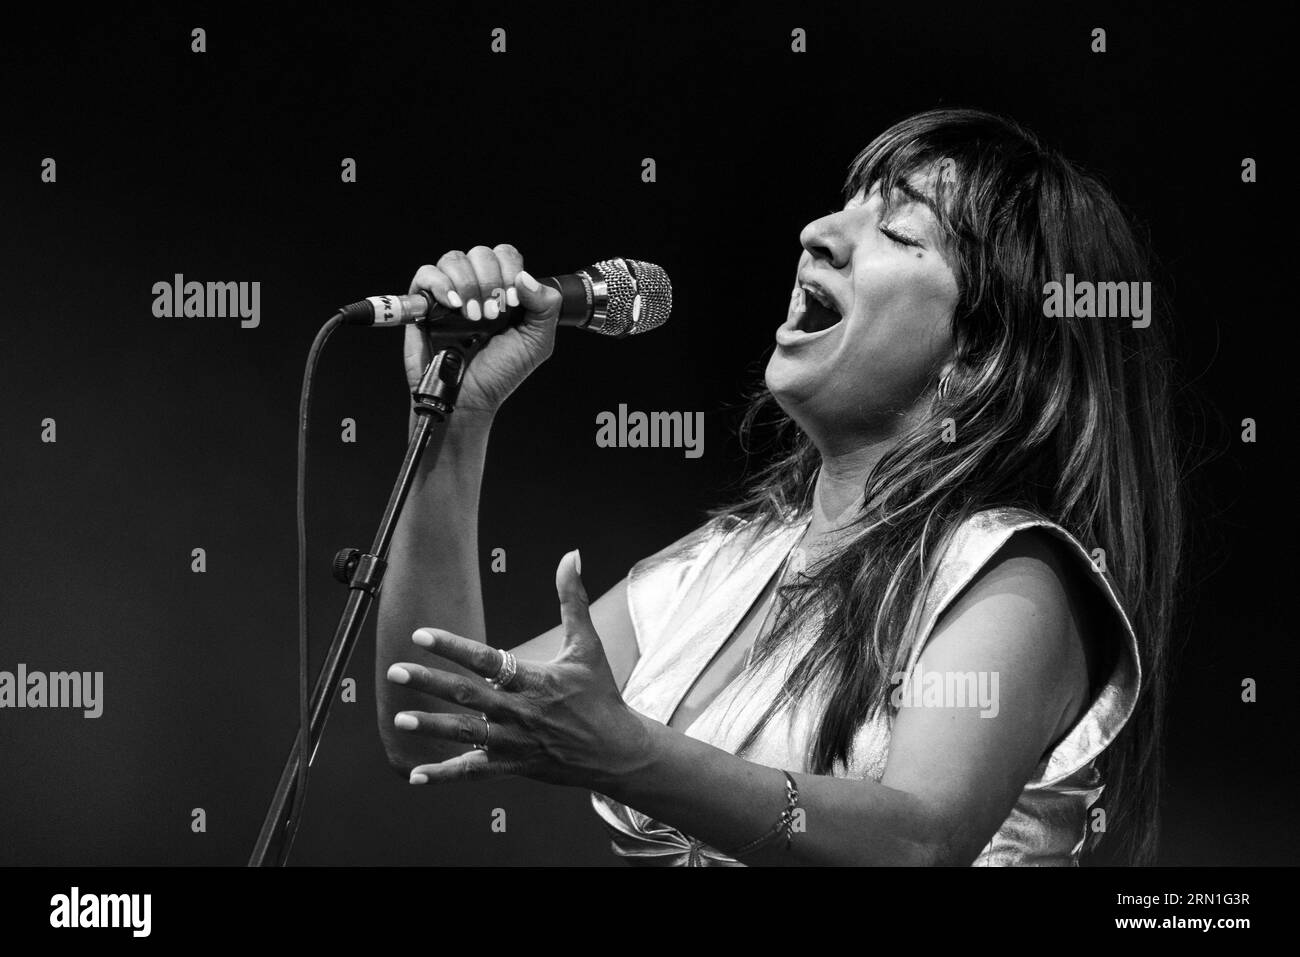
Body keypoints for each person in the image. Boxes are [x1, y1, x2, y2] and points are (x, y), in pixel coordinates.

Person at [373, 107, 1183, 866]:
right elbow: (439, 722)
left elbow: (922, 842)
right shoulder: (721, 566)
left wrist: (631, 752)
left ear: (981, 357)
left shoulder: (1013, 573)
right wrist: (452, 425)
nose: (817, 234)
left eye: (900, 231)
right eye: (846, 208)